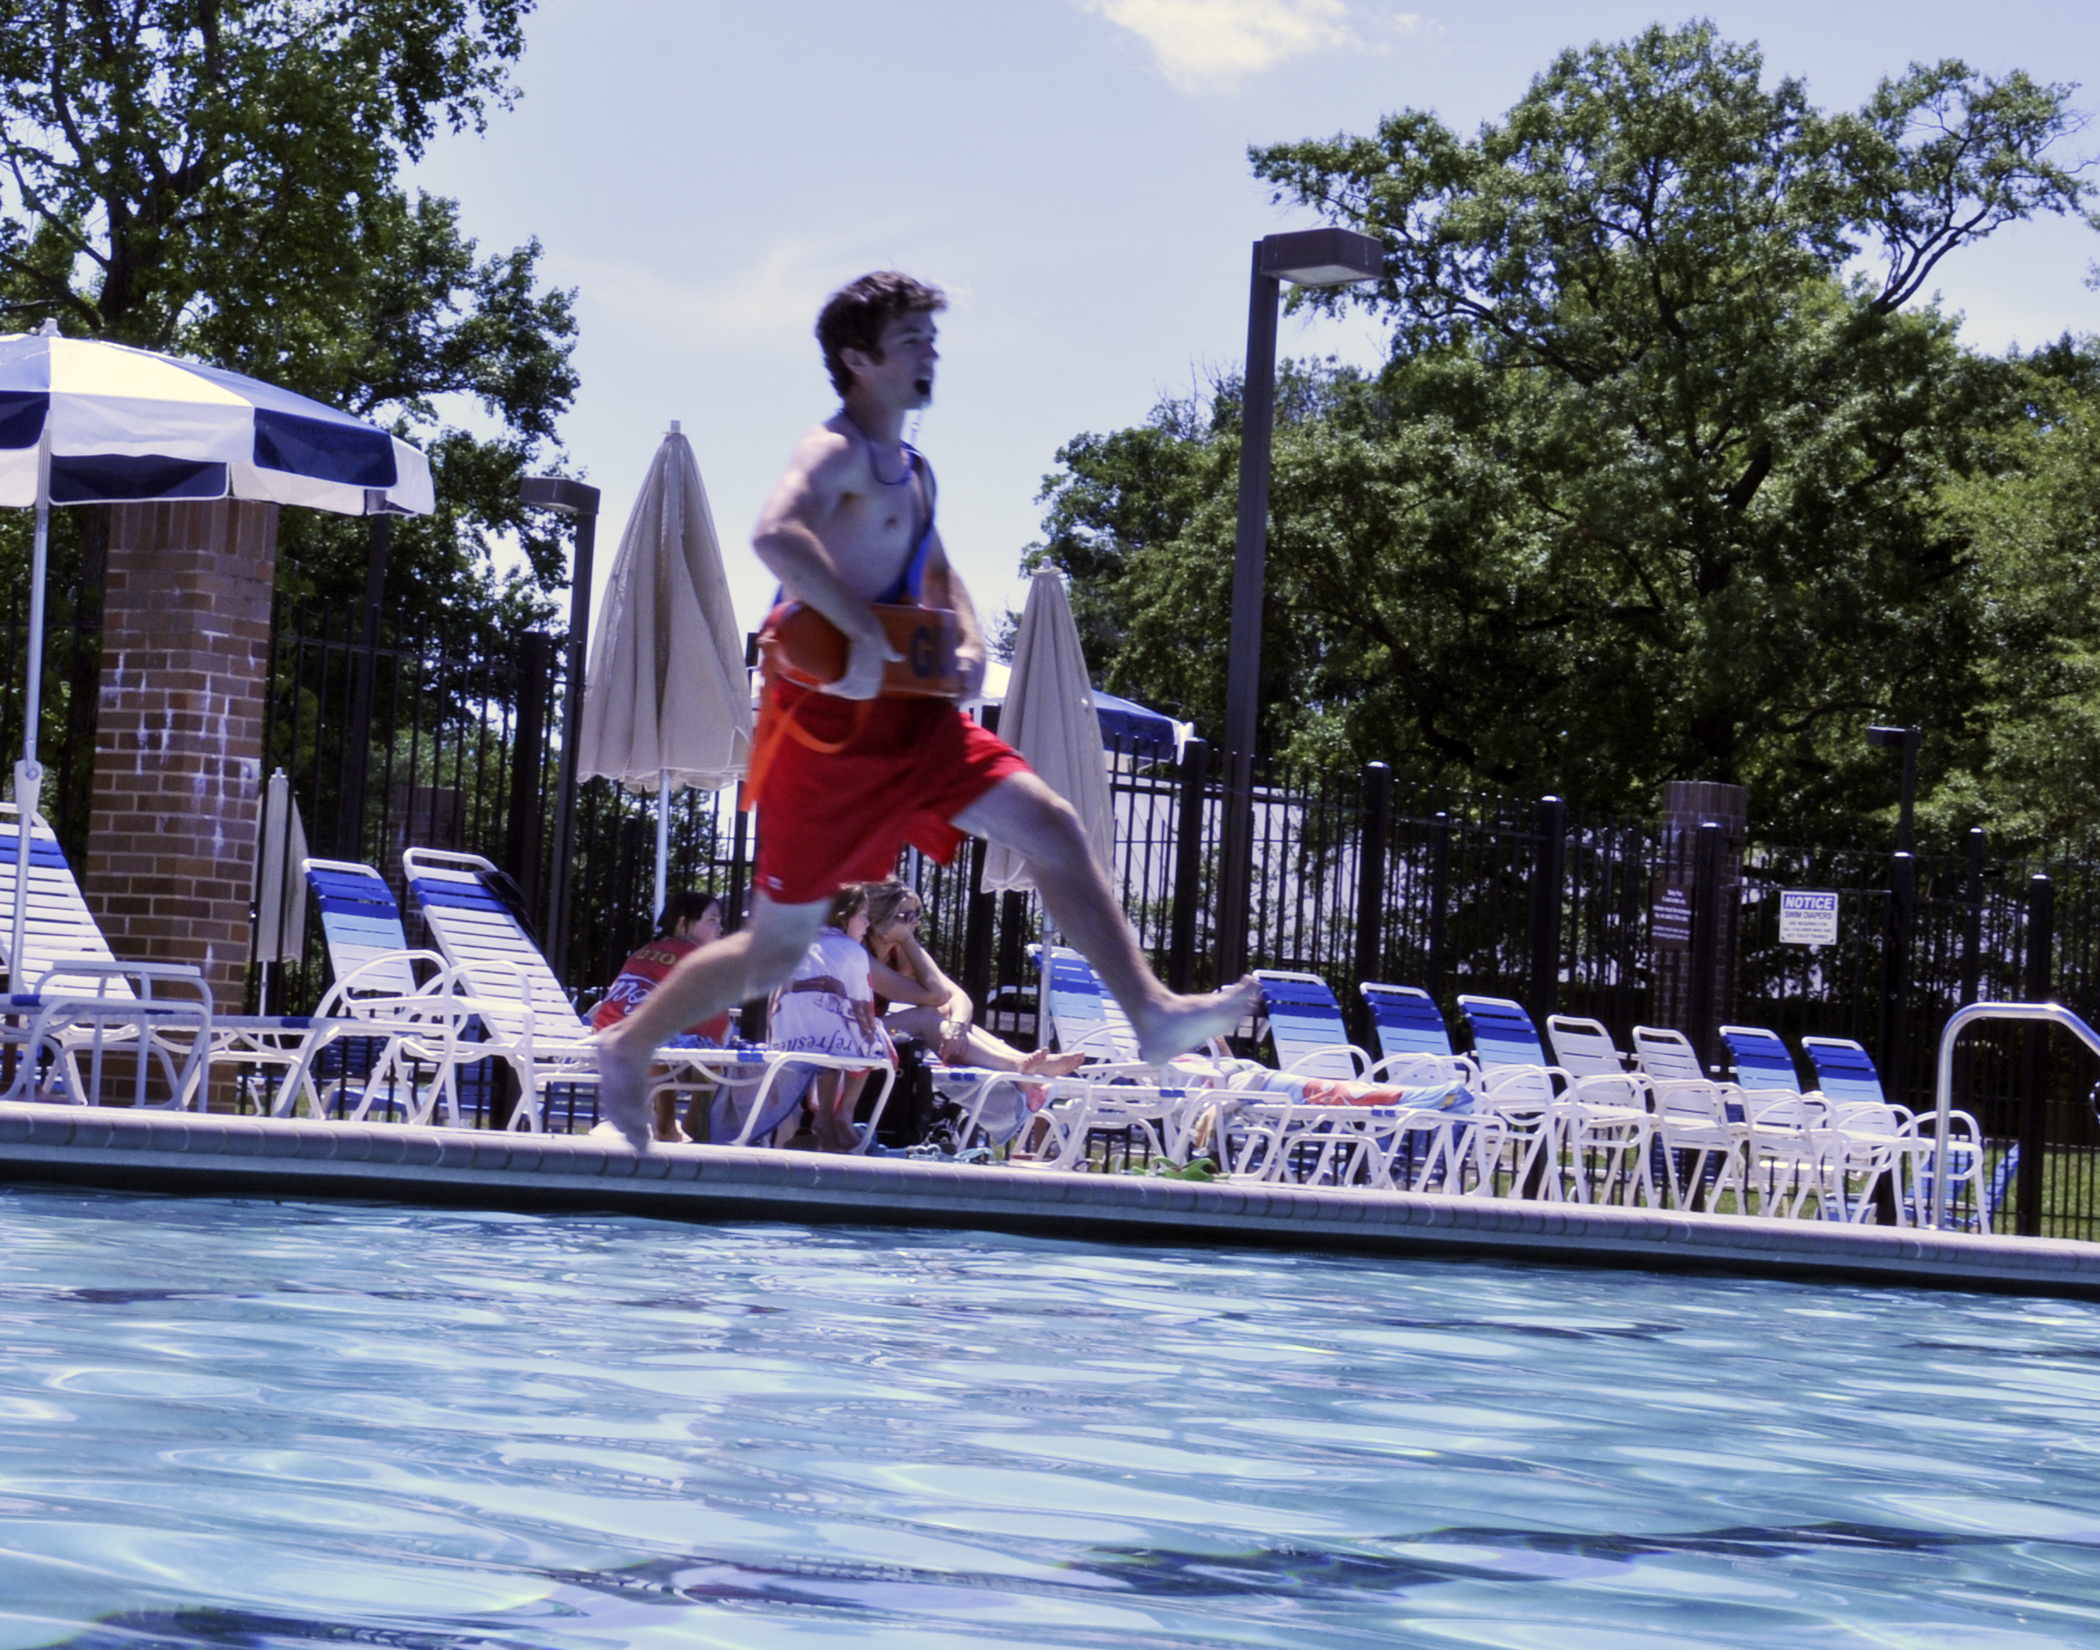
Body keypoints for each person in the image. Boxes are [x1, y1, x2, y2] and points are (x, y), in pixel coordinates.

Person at [592, 270, 1258, 1148]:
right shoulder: (830, 454)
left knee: (1055, 826)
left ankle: (1153, 1012)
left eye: (930, 338)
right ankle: (630, 1046)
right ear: (857, 359)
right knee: (775, 953)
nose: (929, 352)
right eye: (911, 339)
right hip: (828, 733)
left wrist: (974, 647)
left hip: (920, 720)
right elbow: (774, 536)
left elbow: (944, 578)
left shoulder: (913, 471)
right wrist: (858, 628)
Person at [860, 880, 1084, 1078]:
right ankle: (1015, 1066)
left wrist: (956, 1026)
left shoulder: (896, 950)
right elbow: (936, 995)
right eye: (908, 917)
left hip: (870, 1031)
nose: (916, 923)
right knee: (927, 1017)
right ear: (882, 918)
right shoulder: (860, 955)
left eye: (917, 914)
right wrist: (908, 941)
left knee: (948, 1014)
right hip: (849, 1036)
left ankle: (1022, 1061)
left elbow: (958, 997)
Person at [758, 883, 890, 1153]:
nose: (868, 924)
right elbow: (862, 1008)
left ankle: (826, 1116)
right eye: (863, 915)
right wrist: (872, 1040)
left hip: (785, 1043)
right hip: (828, 1046)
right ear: (844, 916)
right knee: (875, 1039)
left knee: (828, 1041)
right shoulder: (852, 952)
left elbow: (773, 1002)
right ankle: (842, 1115)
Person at [591, 891, 729, 1143]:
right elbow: (715, 1020)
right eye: (712, 920)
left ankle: (666, 1121)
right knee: (713, 1051)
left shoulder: (645, 952)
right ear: (682, 923)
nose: (720, 928)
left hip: (604, 1034)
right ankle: (693, 1124)